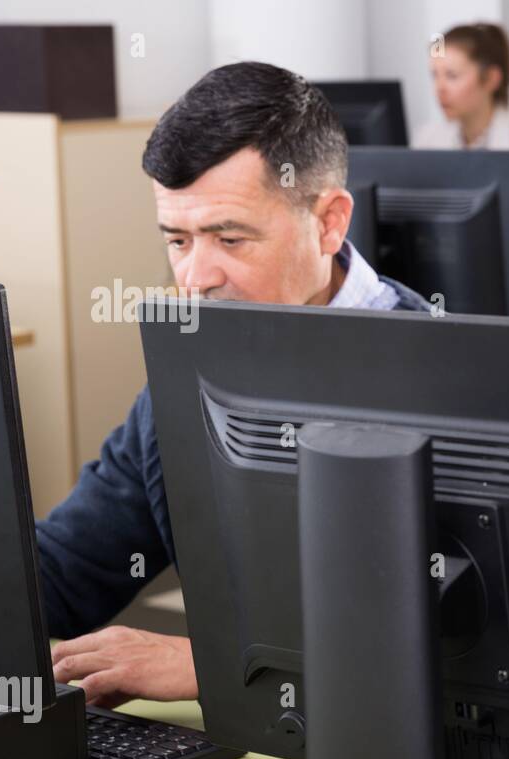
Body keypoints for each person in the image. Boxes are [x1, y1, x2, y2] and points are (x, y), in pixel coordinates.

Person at [42, 62, 430, 707]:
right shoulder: (192, 369)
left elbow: (471, 655)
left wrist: (216, 663)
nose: (195, 277)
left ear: (330, 221)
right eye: (177, 240)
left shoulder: (443, 379)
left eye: (229, 237)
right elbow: (66, 569)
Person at [412, 23, 509, 150]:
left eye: (452, 75)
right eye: (435, 75)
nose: (439, 89)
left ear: (491, 79)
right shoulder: (426, 140)